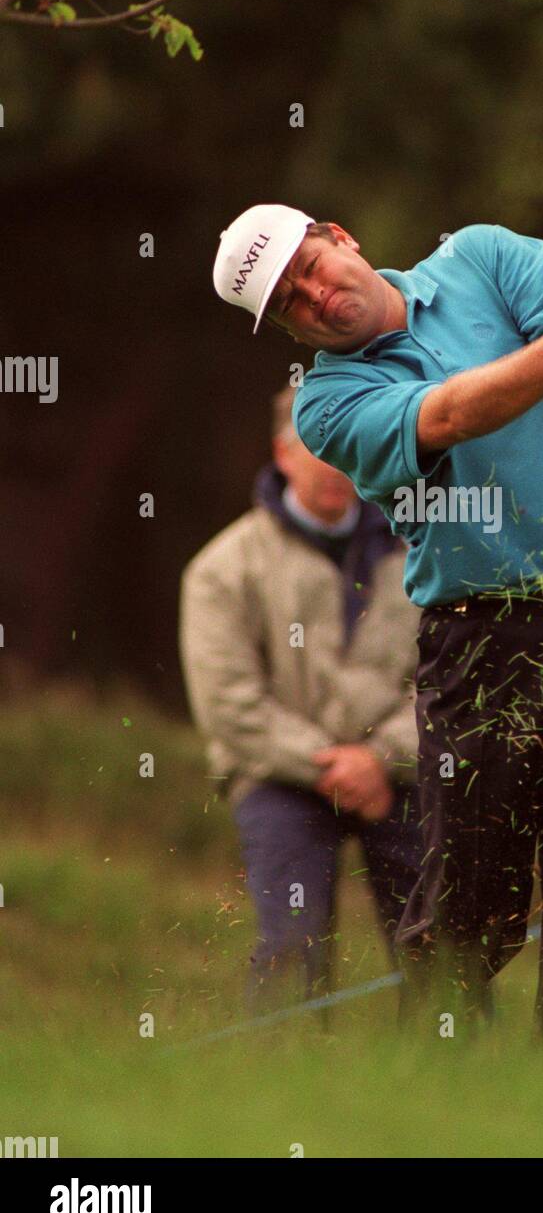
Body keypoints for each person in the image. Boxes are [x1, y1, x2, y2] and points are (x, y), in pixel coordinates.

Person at [212, 205, 543, 1043]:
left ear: (341, 235)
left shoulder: (482, 257)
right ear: (284, 327)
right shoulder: (328, 403)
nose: (316, 295)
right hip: (484, 642)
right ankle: (434, 1092)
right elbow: (450, 415)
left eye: (310, 264)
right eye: (289, 301)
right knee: (473, 905)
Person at [179, 383, 422, 1008]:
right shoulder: (222, 568)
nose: (336, 465)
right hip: (279, 777)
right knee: (293, 943)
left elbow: (447, 683)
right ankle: (279, 1092)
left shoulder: (422, 555)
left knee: (437, 943)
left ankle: (459, 1082)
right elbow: (230, 706)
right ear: (283, 453)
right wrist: (331, 765)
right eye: (319, 448)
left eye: (349, 448)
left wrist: (381, 759)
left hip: (399, 774)